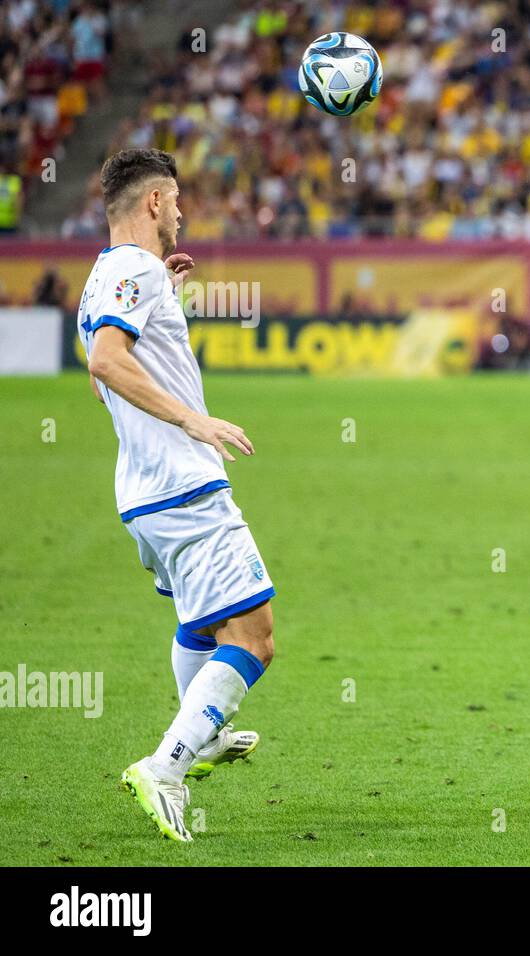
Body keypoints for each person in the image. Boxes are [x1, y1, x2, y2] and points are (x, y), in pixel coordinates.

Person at [78, 148, 275, 842]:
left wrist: (158, 286)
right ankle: (166, 764)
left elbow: (97, 375)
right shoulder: (132, 271)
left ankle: (206, 737)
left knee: (202, 624)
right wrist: (195, 419)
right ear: (154, 203)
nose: (184, 211)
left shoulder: (109, 278)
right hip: (184, 485)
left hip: (141, 495)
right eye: (178, 198)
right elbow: (108, 363)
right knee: (254, 637)